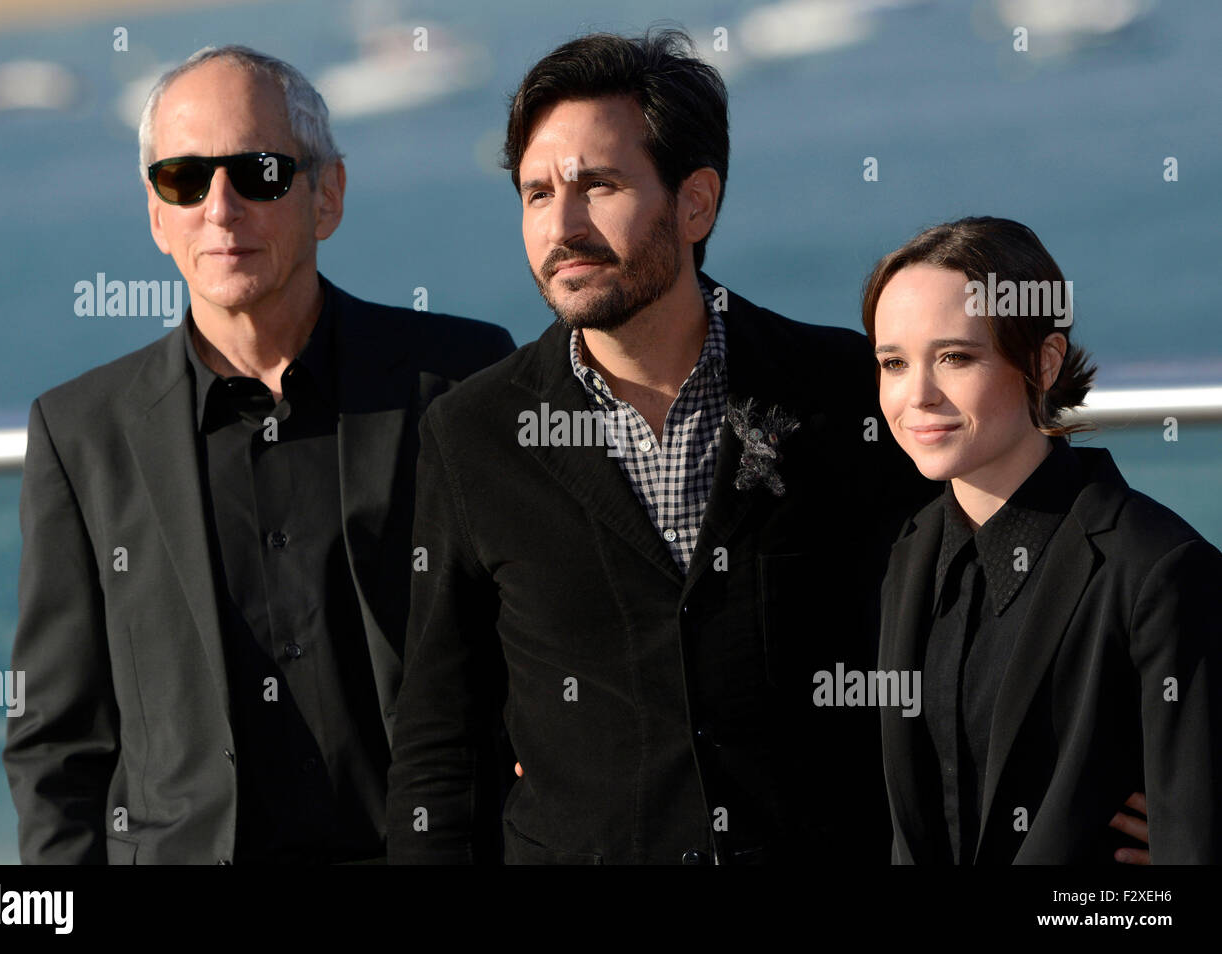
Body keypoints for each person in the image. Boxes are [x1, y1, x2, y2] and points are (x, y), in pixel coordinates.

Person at [385, 29, 932, 865]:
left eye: (598, 185)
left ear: (696, 202)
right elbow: (439, 734)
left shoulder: (845, 389)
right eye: (536, 194)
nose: (561, 227)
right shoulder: (471, 434)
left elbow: (1008, 576)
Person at [3, 45, 513, 864]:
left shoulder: (457, 380)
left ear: (327, 195)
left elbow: (543, 653)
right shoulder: (80, 435)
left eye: (260, 172)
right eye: (185, 179)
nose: (220, 206)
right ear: (155, 214)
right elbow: (56, 747)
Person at [866, 216, 1222, 864]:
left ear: (1043, 360)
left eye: (954, 356)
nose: (916, 394)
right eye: (893, 362)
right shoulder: (908, 556)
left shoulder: (1160, 572)